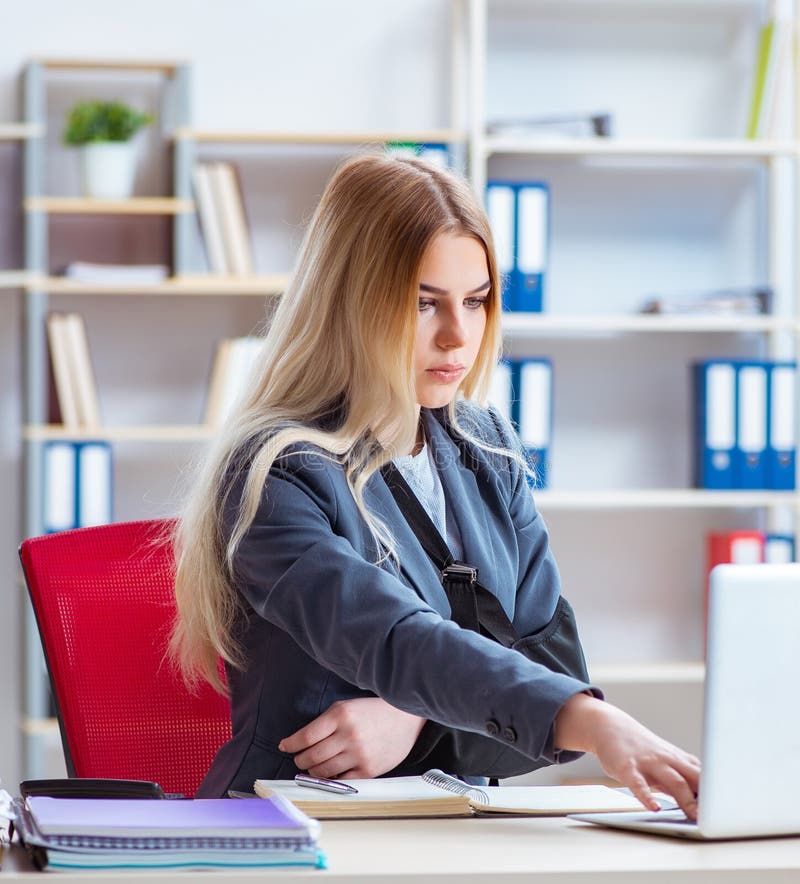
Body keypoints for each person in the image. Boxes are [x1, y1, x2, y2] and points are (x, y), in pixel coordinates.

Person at [171, 152, 700, 817]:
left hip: (457, 822)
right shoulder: (276, 472)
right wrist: (591, 722)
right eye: (425, 304)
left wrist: (417, 722)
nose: (458, 336)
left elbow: (554, 674)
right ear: (353, 303)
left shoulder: (490, 450)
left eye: (476, 302)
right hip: (297, 827)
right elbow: (396, 642)